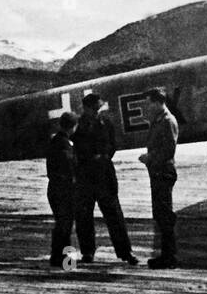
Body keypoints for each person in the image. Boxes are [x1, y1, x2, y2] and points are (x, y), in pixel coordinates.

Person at [72, 91, 138, 265]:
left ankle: (125, 252)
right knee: (84, 216)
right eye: (94, 108)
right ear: (86, 108)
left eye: (98, 108)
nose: (96, 111)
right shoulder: (78, 126)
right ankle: (87, 253)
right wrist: (91, 159)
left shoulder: (106, 123)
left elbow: (113, 145)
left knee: (115, 215)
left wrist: (104, 157)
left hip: (104, 175)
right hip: (86, 176)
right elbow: (76, 149)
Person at [140, 87, 179, 269]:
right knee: (161, 214)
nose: (147, 107)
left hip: (163, 171)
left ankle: (169, 257)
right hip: (158, 172)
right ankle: (166, 255)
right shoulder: (159, 120)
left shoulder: (167, 121)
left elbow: (169, 150)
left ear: (157, 102)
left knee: (165, 215)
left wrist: (150, 158)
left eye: (149, 103)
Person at [46, 111, 77, 269]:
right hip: (64, 189)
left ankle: (56, 257)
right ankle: (68, 261)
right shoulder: (66, 144)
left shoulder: (54, 141)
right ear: (73, 127)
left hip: (54, 188)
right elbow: (69, 166)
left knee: (61, 224)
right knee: (66, 226)